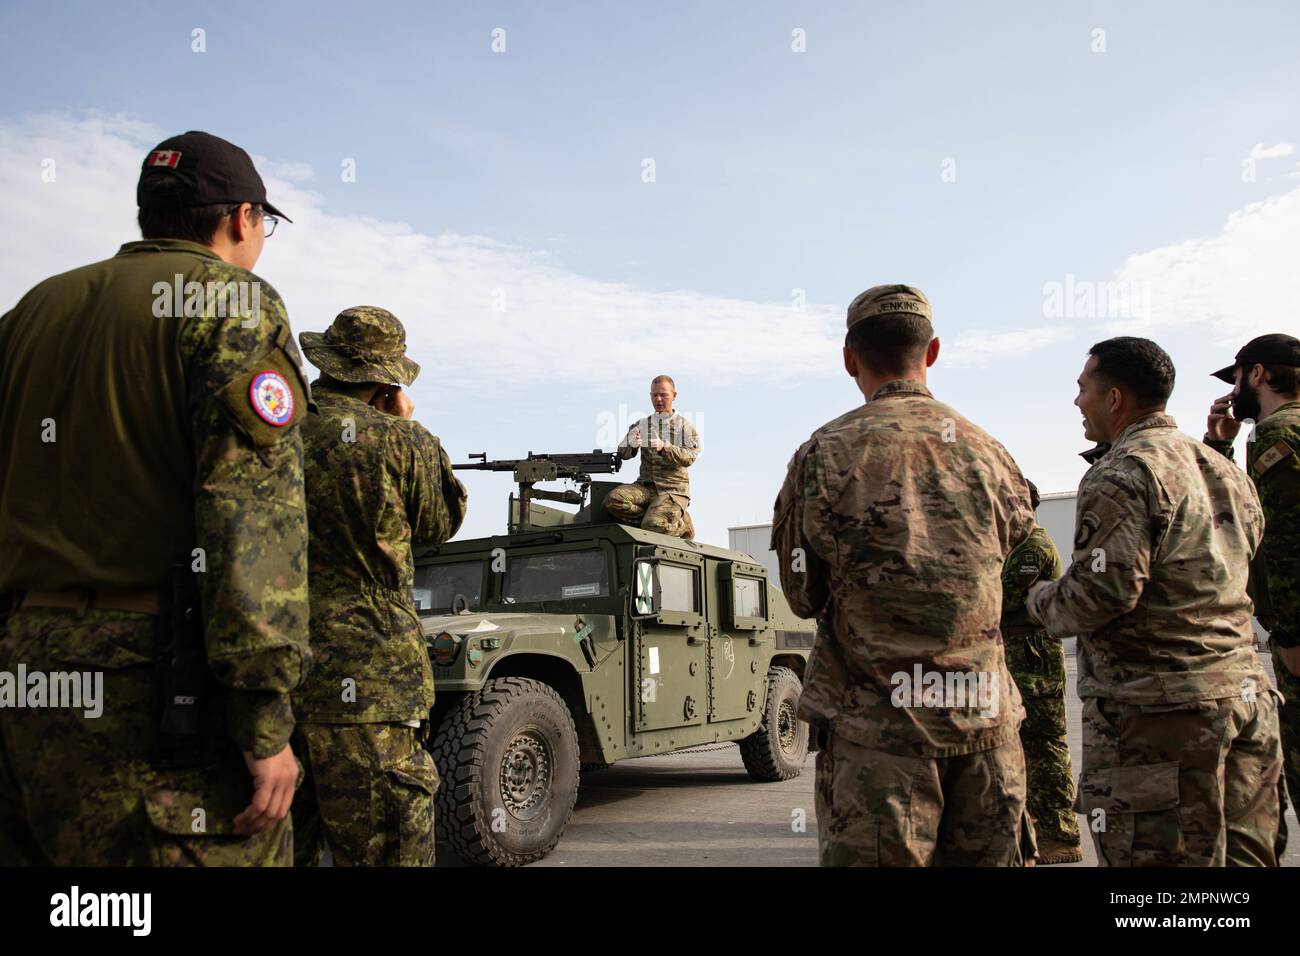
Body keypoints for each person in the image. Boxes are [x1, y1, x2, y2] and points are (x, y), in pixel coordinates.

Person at [0, 130, 309, 865]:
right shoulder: (232, 303)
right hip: (157, 692)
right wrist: (264, 720)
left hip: (23, 676)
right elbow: (251, 524)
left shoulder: (31, 311)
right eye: (264, 223)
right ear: (242, 218)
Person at [771, 284, 1037, 866]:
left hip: (878, 743)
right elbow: (1013, 557)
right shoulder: (989, 452)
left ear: (849, 359)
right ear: (933, 351)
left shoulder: (823, 454)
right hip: (986, 731)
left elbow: (801, 593)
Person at [1027, 336, 1283, 866]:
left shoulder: (1122, 473)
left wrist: (1038, 601)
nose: (1078, 402)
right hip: (1245, 703)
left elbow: (1102, 594)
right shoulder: (1226, 472)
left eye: (1083, 389)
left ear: (1115, 397)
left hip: (1160, 718)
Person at [291, 306, 467, 866]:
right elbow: (439, 524)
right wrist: (409, 426)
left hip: (268, 671)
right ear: (386, 382)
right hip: (369, 675)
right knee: (386, 846)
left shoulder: (273, 426)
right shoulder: (398, 440)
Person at [1204, 333, 1300, 815]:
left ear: (1258, 375)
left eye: (1237, 377)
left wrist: (1291, 631)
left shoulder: (1276, 433)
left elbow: (1277, 536)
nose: (1233, 389)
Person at [1000, 481, 1081, 864]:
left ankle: (1060, 835)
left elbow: (1000, 597)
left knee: (1045, 745)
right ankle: (1030, 826)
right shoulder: (1014, 547)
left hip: (1033, 658)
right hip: (1015, 656)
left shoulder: (1034, 548)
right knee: (1018, 744)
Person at [604, 375, 700, 539]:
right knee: (612, 501)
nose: (659, 399)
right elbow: (623, 453)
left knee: (653, 526)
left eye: (664, 395)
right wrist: (631, 444)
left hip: (672, 491)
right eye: (654, 395)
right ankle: (653, 518)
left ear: (674, 396)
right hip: (646, 487)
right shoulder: (642, 425)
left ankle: (682, 525)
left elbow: (690, 457)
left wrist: (666, 447)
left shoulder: (684, 427)